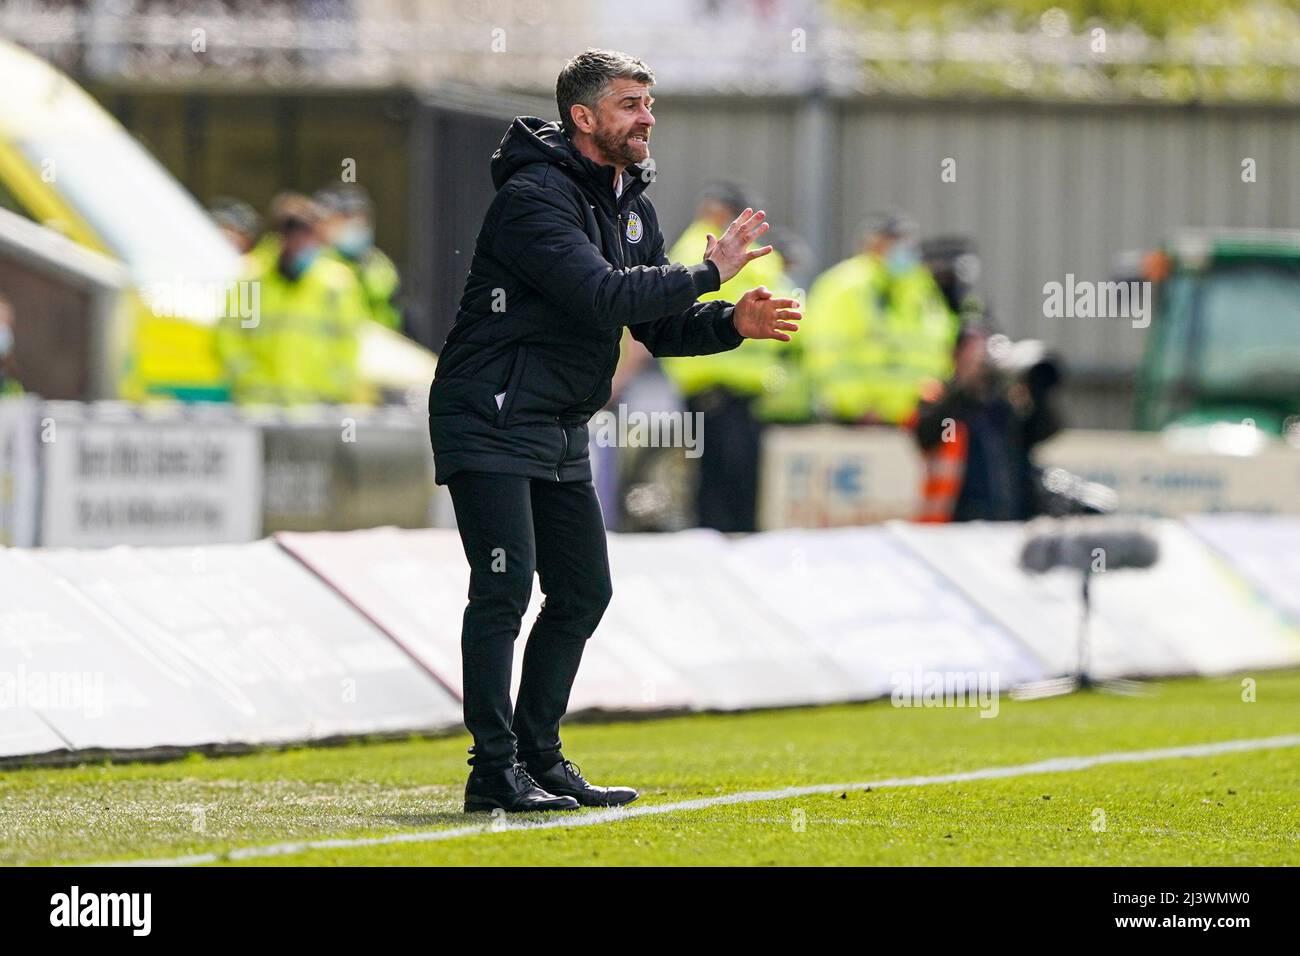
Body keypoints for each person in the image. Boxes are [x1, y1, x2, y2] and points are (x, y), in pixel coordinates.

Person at [426, 48, 801, 814]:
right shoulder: (534, 196)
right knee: (502, 589)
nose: (647, 118)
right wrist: (709, 273)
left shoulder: (630, 200)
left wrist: (732, 321)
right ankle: (492, 772)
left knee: (583, 592)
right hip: (489, 412)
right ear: (583, 117)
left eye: (649, 103)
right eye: (631, 105)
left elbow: (654, 324)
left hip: (558, 422)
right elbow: (600, 297)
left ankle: (541, 759)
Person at [659, 182, 805, 532]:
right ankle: (716, 548)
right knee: (720, 480)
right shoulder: (703, 247)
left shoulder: (733, 250)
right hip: (714, 388)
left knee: (736, 479)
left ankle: (726, 544)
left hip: (741, 392)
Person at [803, 212, 958, 426]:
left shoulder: (918, 286)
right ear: (872, 244)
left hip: (911, 418)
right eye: (893, 242)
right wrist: (857, 405)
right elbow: (827, 351)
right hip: (858, 418)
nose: (902, 251)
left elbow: (937, 342)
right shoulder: (845, 285)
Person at [216, 192, 370, 405]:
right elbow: (230, 338)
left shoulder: (336, 283)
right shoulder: (252, 280)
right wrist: (249, 378)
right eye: (294, 237)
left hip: (316, 406)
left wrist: (334, 385)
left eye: (306, 237)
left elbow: (348, 343)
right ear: (281, 238)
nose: (299, 246)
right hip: (260, 406)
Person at [913, 323, 1062, 521]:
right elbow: (930, 437)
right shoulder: (943, 402)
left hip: (1009, 522)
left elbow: (1045, 431)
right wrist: (963, 385)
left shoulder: (1004, 408)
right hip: (957, 526)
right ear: (956, 356)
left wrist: (1036, 393)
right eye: (974, 352)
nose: (982, 361)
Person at [315, 184, 404, 333]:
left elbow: (394, 314)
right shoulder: (314, 264)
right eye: (347, 218)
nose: (357, 225)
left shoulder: (380, 265)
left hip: (378, 348)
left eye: (362, 218)